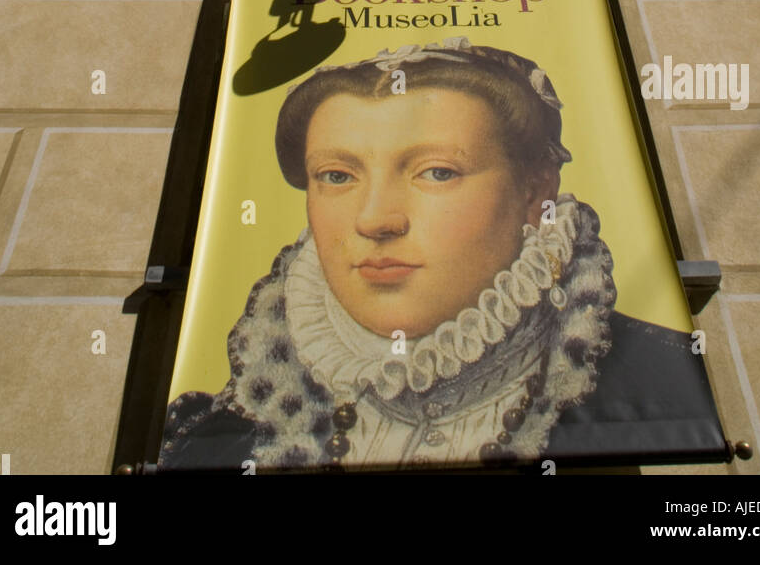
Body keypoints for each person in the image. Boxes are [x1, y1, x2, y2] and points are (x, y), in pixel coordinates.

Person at [159, 38, 724, 470]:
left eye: (437, 172)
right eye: (336, 175)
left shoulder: (657, 385)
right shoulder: (209, 434)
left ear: (535, 192)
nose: (376, 219)